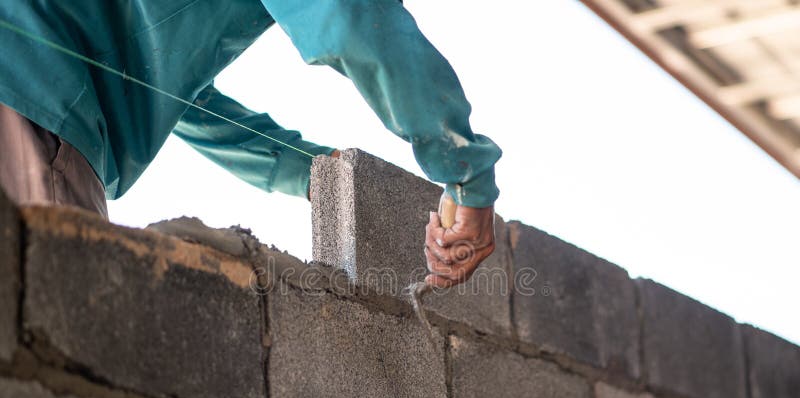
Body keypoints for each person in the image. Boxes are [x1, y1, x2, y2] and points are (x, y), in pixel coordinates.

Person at [0, 0, 501, 287]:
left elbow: (173, 94)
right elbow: (351, 21)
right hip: (29, 101)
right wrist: (467, 177)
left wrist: (306, 171)